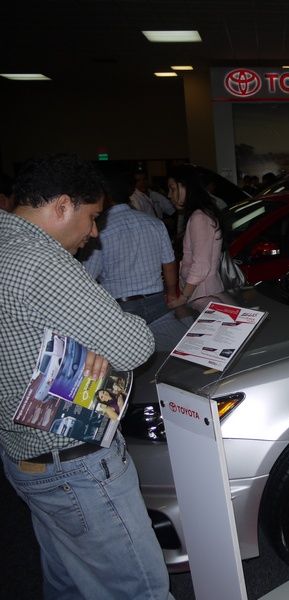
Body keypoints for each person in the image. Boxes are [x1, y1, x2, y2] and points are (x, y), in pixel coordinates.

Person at [0, 154, 170, 599]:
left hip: (23, 453)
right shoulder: (41, 261)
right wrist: (101, 335)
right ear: (62, 206)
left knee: (70, 584)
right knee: (141, 590)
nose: (94, 233)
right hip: (73, 462)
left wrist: (84, 336)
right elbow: (133, 345)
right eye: (92, 217)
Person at [82, 168, 178, 323]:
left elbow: (88, 275)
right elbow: (169, 263)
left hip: (120, 307)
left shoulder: (99, 230)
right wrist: (172, 293)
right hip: (156, 300)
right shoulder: (155, 223)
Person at [166, 164, 224, 306]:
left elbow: (201, 265)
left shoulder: (199, 217)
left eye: (172, 189)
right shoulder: (200, 214)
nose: (169, 195)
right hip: (201, 290)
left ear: (186, 187)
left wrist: (183, 298)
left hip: (202, 292)